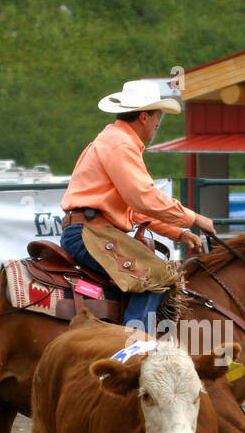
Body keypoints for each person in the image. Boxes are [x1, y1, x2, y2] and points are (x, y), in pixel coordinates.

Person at [60, 79, 216, 329]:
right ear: (144, 117)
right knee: (157, 275)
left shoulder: (115, 139)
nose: (157, 124)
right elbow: (143, 198)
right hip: (91, 233)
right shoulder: (121, 144)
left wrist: (178, 232)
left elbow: (135, 208)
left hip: (90, 229)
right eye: (157, 117)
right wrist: (194, 219)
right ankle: (134, 348)